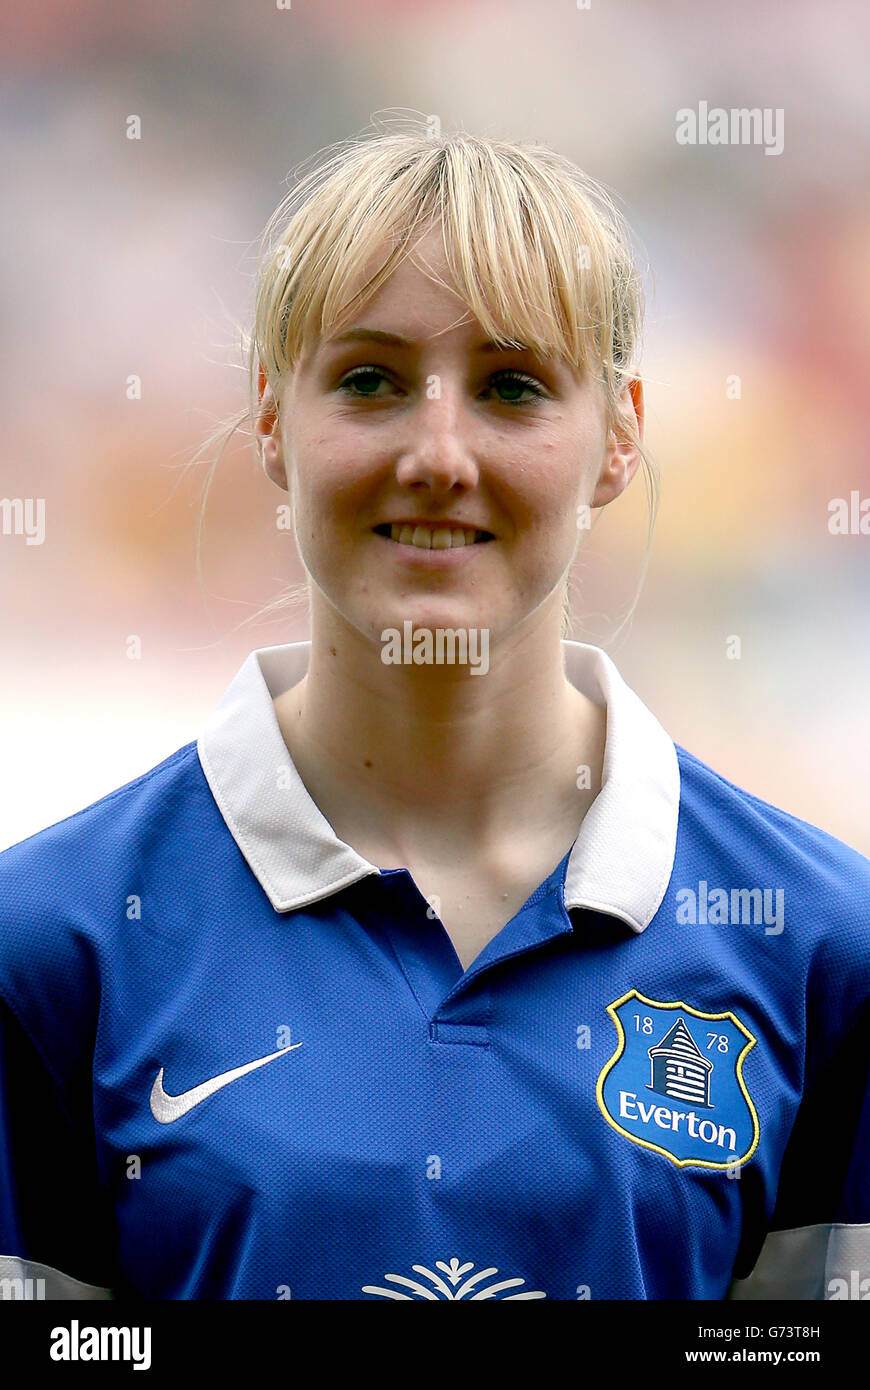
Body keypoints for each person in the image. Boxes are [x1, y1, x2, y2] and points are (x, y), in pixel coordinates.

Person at [1, 125, 868, 1303]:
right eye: (370, 381)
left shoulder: (820, 946)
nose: (438, 453)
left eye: (513, 387)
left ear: (620, 435)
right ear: (270, 419)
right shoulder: (53, 943)